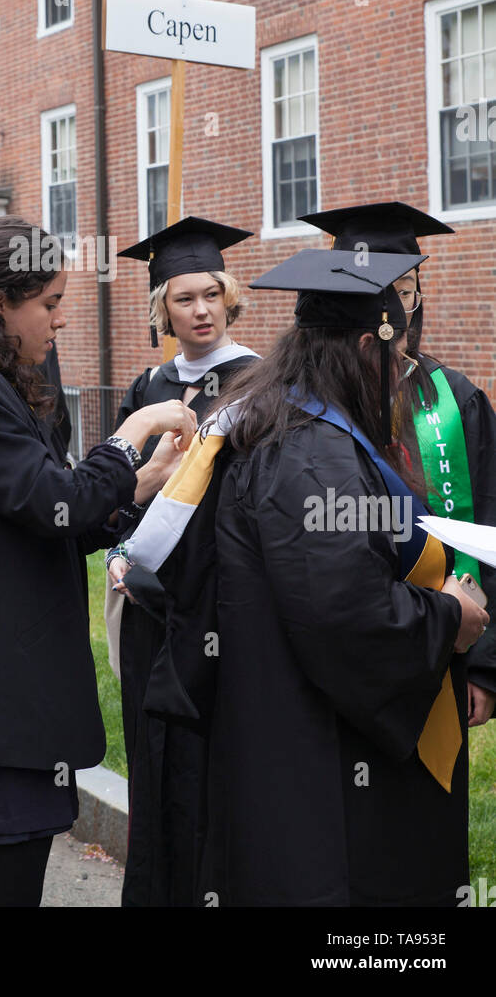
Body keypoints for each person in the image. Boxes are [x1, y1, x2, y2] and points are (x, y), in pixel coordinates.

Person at [0, 216, 196, 907]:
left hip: (15, 710)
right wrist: (131, 435)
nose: (61, 319)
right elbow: (51, 500)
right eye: (50, 303)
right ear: (0, 304)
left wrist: (147, 484)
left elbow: (50, 524)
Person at [203, 246, 485, 905]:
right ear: (366, 346)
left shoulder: (292, 423)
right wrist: (451, 618)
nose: (401, 379)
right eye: (398, 360)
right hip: (326, 771)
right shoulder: (310, 452)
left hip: (297, 747)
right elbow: (343, 615)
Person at [107, 216, 258, 907]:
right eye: (183, 298)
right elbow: (125, 492)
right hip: (150, 608)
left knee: (214, 767)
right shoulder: (147, 388)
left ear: (229, 296)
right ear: (161, 307)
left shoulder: (260, 383)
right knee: (149, 757)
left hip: (222, 608)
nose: (200, 310)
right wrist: (117, 552)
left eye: (210, 294)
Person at [300, 201, 496, 728]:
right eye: (380, 287)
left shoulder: (457, 400)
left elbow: (489, 521)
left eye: (406, 288)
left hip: (449, 628)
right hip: (356, 633)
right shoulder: (315, 402)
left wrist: (484, 664)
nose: (396, 301)